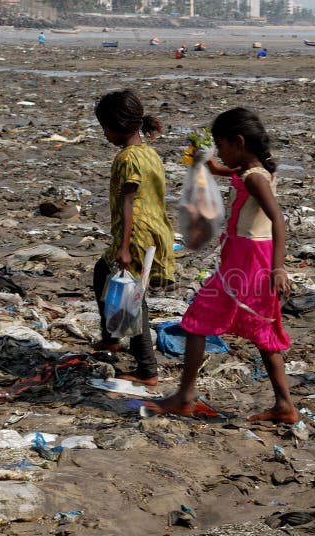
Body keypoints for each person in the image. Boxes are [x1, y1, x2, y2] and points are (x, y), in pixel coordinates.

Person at [152, 107, 298, 423]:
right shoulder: (253, 170)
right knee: (262, 329)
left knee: (197, 319)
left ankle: (184, 396)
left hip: (250, 262)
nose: (220, 153)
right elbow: (236, 175)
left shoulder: (255, 177)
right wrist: (212, 166)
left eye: (222, 146)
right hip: (247, 259)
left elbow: (278, 220)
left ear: (239, 142)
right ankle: (285, 405)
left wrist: (279, 268)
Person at [93, 90, 176, 386]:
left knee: (133, 298)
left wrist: (125, 247)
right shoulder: (148, 153)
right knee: (103, 272)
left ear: (116, 125)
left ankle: (147, 369)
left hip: (136, 234)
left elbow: (129, 202)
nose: (104, 133)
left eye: (104, 126)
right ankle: (112, 338)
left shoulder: (128, 158)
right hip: (152, 230)